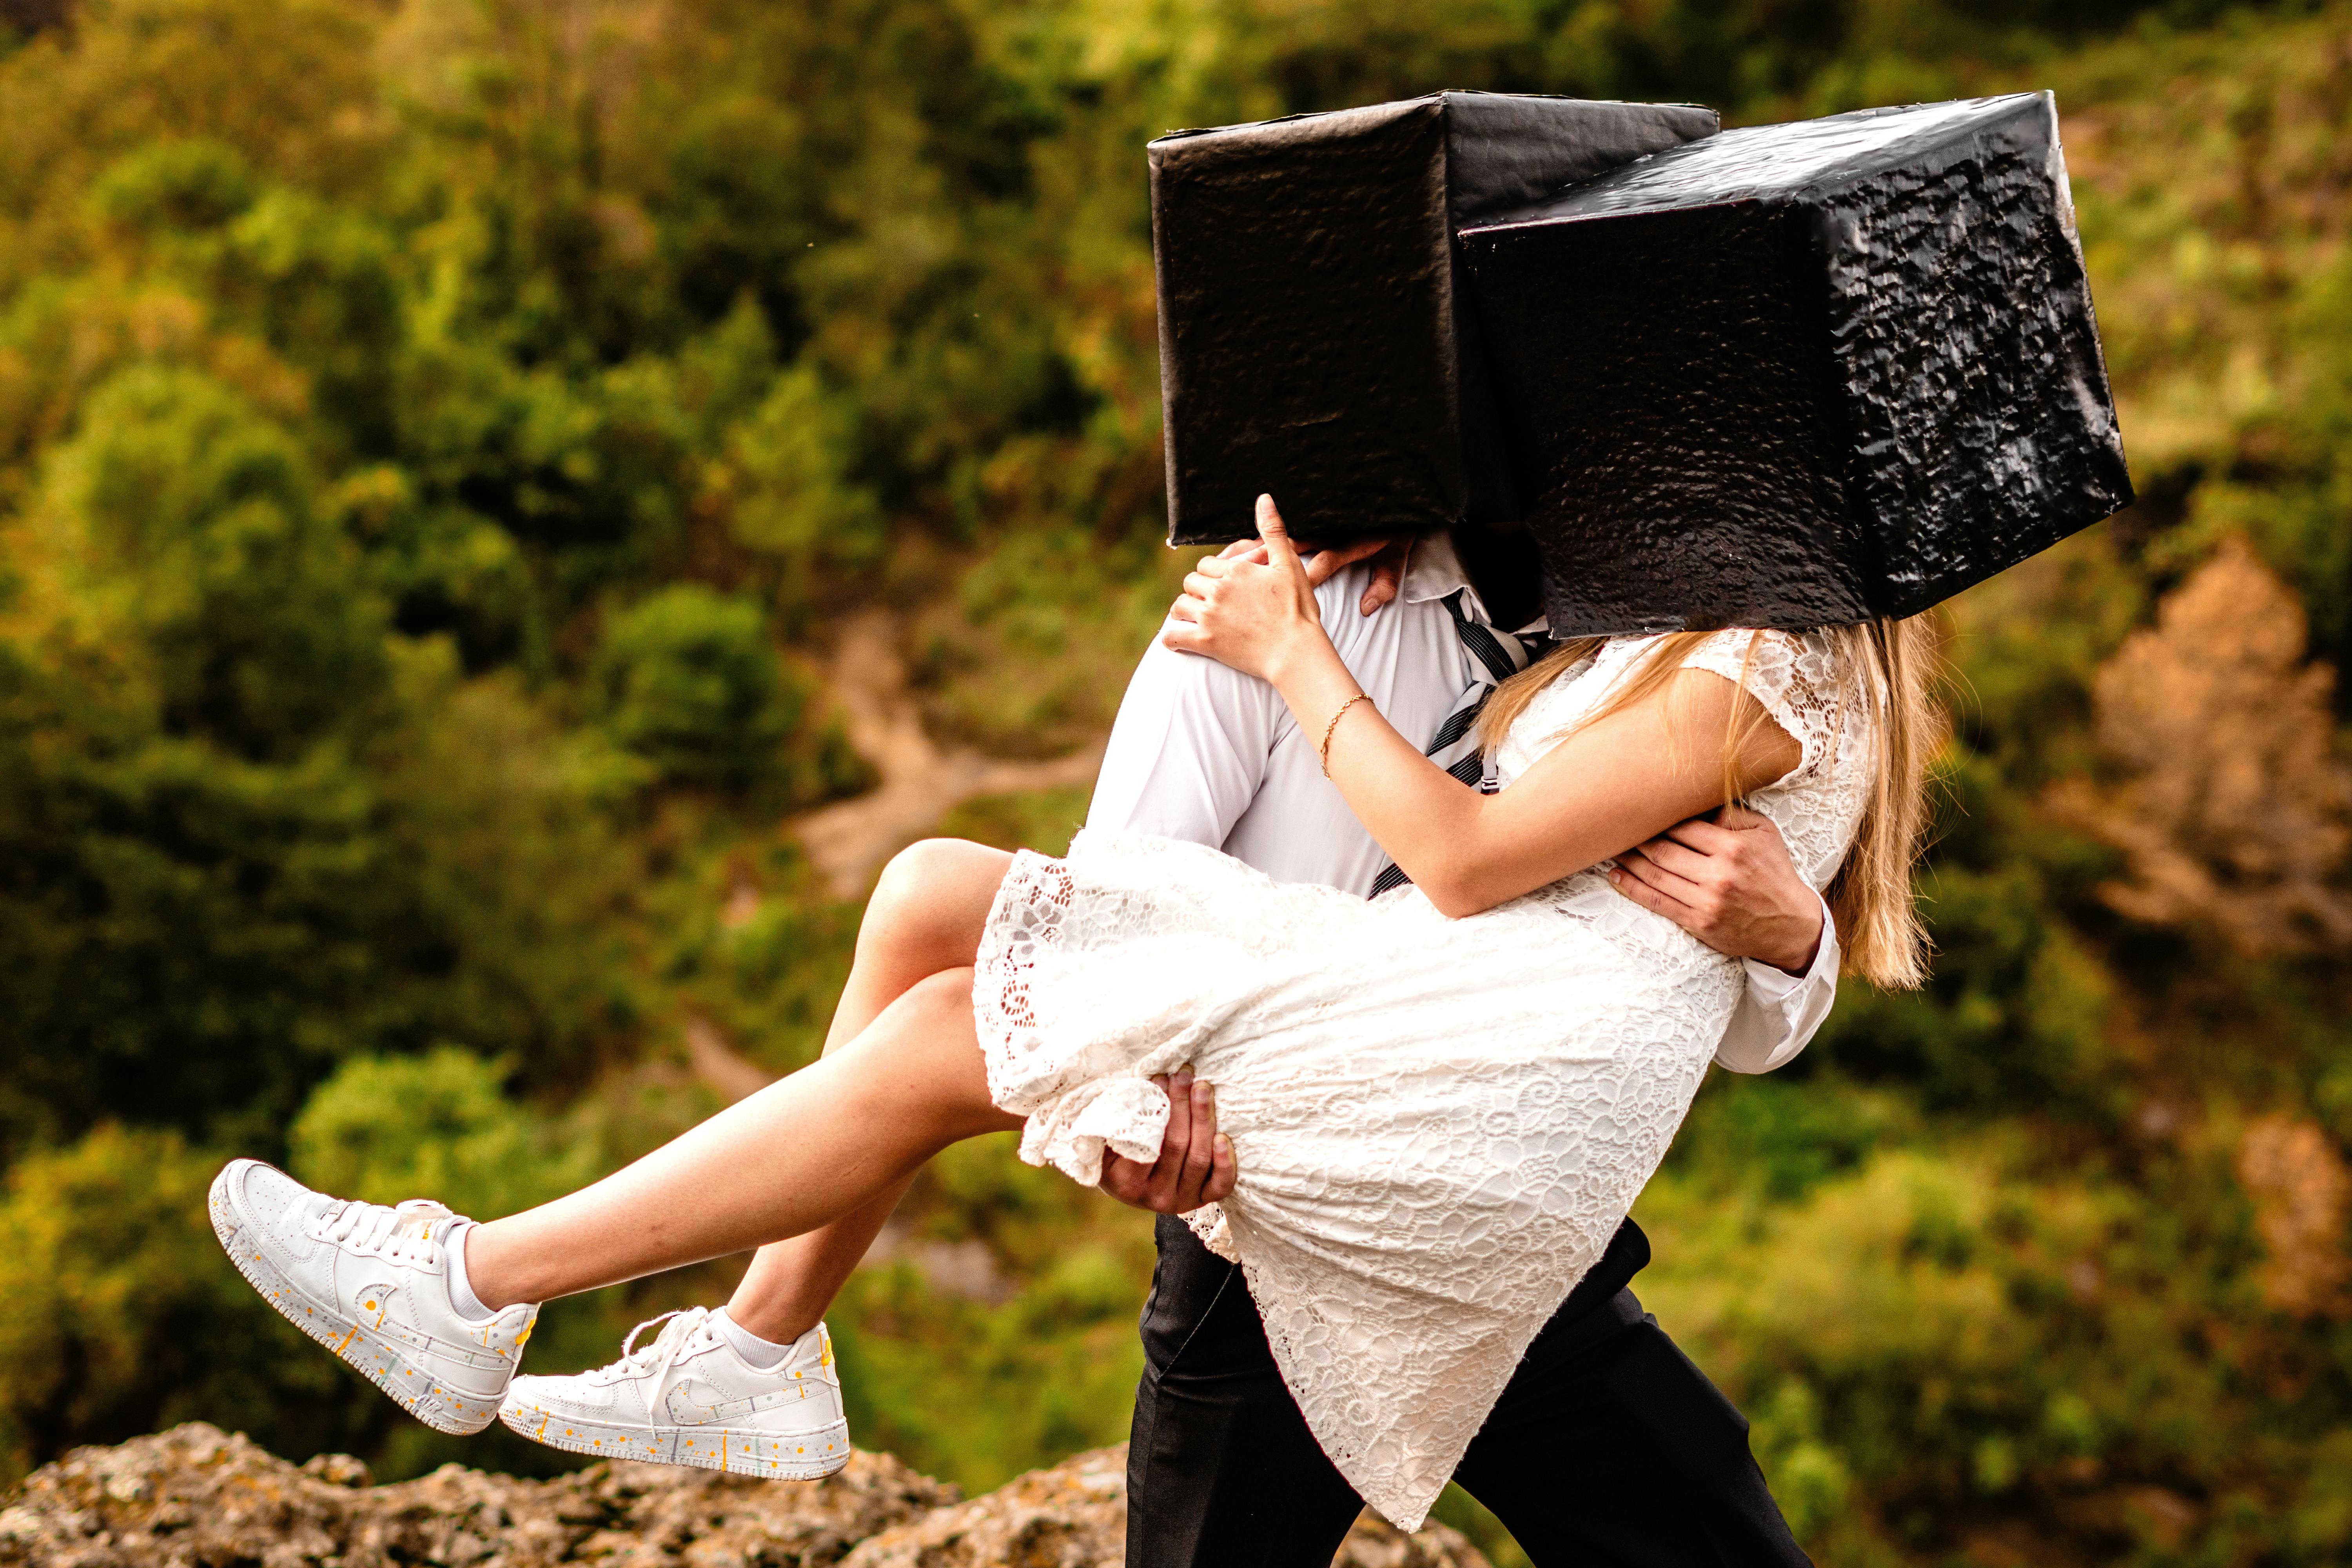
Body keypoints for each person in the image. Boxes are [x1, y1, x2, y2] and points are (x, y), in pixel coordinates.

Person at [212, 494, 1938, 1539]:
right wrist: (1118, 1104)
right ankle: (756, 1350)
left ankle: (469, 1285)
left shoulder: (1728, 642)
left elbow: (1501, 876)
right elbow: (1125, 884)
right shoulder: (1427, 609)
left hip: (1447, 1088)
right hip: (1339, 1053)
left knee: (943, 1035)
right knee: (927, 895)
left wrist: (1798, 944)